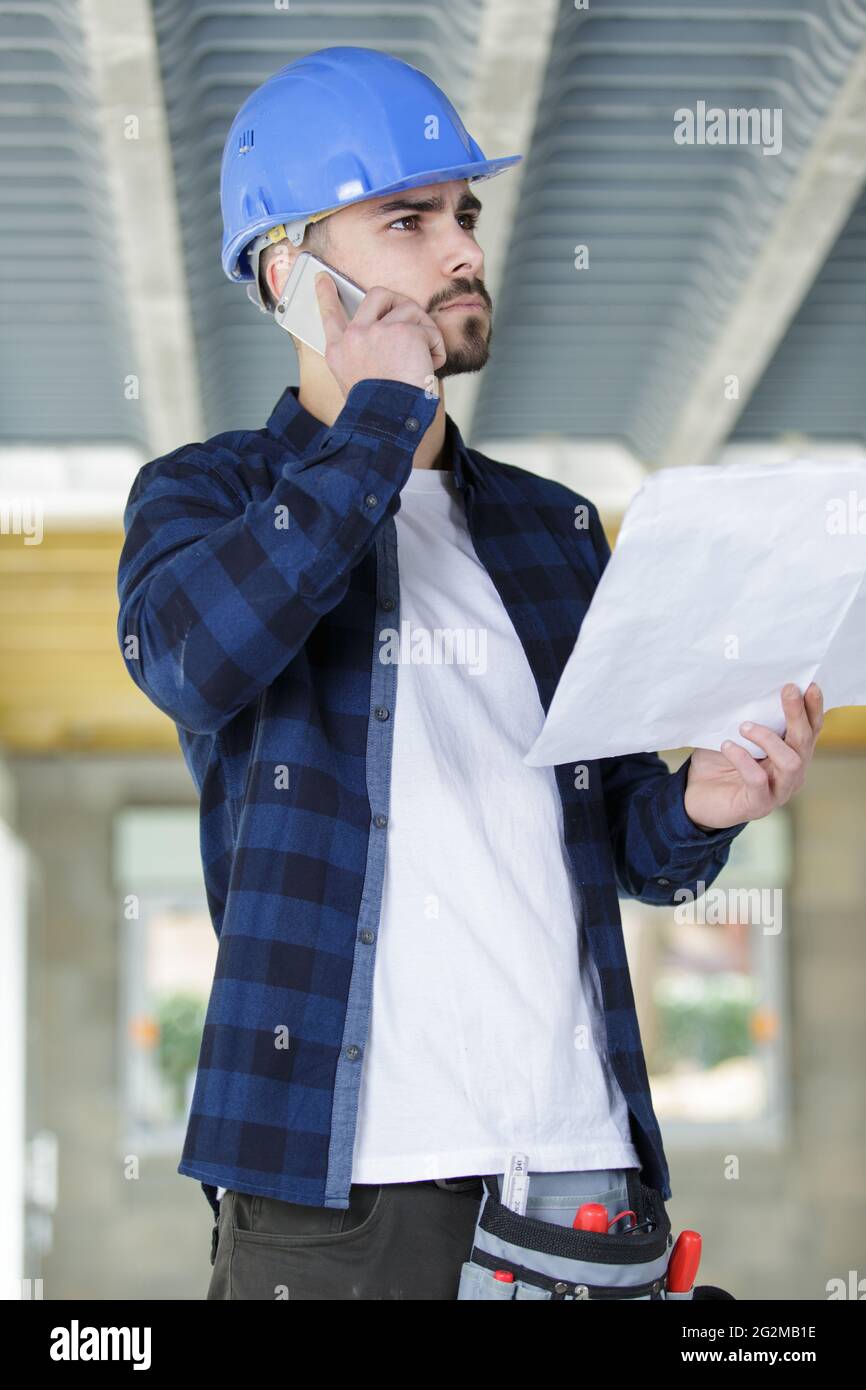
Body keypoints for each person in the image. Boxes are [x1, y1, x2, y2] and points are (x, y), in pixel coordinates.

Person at [116, 46, 822, 1300]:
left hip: (579, 1168)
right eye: (406, 220)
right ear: (290, 275)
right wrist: (381, 420)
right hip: (342, 1193)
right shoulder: (208, 494)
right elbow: (192, 660)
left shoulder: (552, 531)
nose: (460, 252)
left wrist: (699, 807)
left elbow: (604, 838)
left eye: (462, 215)